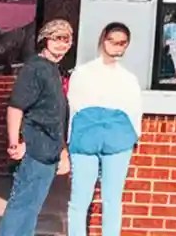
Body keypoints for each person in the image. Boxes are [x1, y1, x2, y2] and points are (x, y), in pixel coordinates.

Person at [0, 19, 74, 236]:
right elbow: (15, 106)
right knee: (22, 206)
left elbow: (55, 116)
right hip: (34, 149)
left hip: (49, 150)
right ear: (45, 39)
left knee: (31, 208)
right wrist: (16, 142)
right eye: (56, 38)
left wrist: (61, 151)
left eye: (66, 39)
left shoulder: (54, 70)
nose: (61, 44)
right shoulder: (34, 68)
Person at [66, 23, 143, 236]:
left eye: (122, 43)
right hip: (85, 137)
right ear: (103, 40)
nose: (117, 47)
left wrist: (133, 137)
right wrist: (71, 139)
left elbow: (135, 110)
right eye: (113, 41)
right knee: (80, 198)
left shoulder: (128, 78)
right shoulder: (83, 72)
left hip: (117, 138)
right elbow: (74, 105)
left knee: (112, 199)